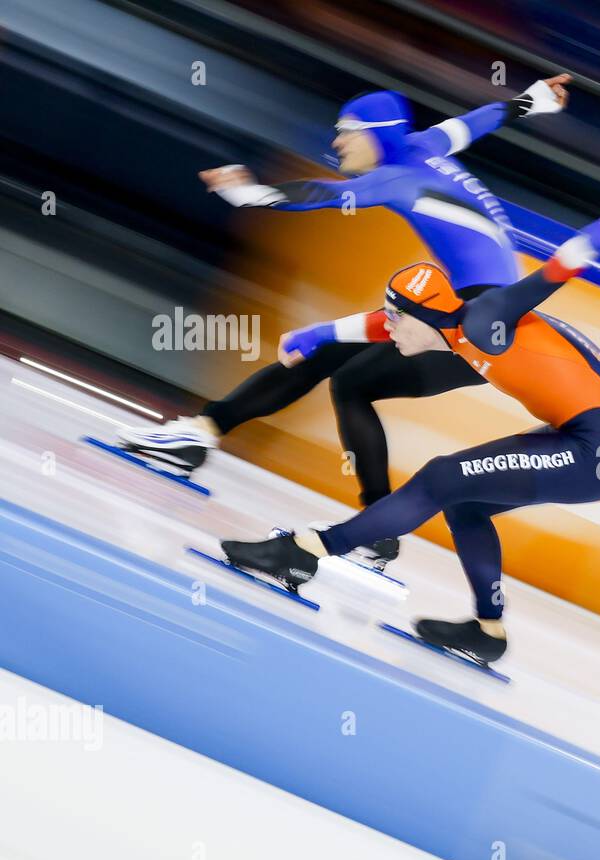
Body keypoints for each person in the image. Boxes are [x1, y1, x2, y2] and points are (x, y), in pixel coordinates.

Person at [118, 76, 571, 565]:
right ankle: (201, 434)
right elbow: (480, 121)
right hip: (480, 313)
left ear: (378, 135)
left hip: (479, 329)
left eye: (347, 131)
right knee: (327, 358)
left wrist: (251, 194)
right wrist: (533, 100)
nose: (336, 141)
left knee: (352, 383)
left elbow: (322, 192)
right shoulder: (423, 145)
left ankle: (376, 529)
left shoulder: (399, 178)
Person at [219, 213, 600, 664]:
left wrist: (596, 237)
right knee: (465, 502)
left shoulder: (485, 321)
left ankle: (305, 550)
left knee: (442, 477)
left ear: (425, 319)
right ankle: (488, 630)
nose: (387, 331)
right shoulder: (447, 318)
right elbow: (376, 322)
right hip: (585, 435)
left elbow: (546, 279)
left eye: (395, 320)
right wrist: (317, 335)